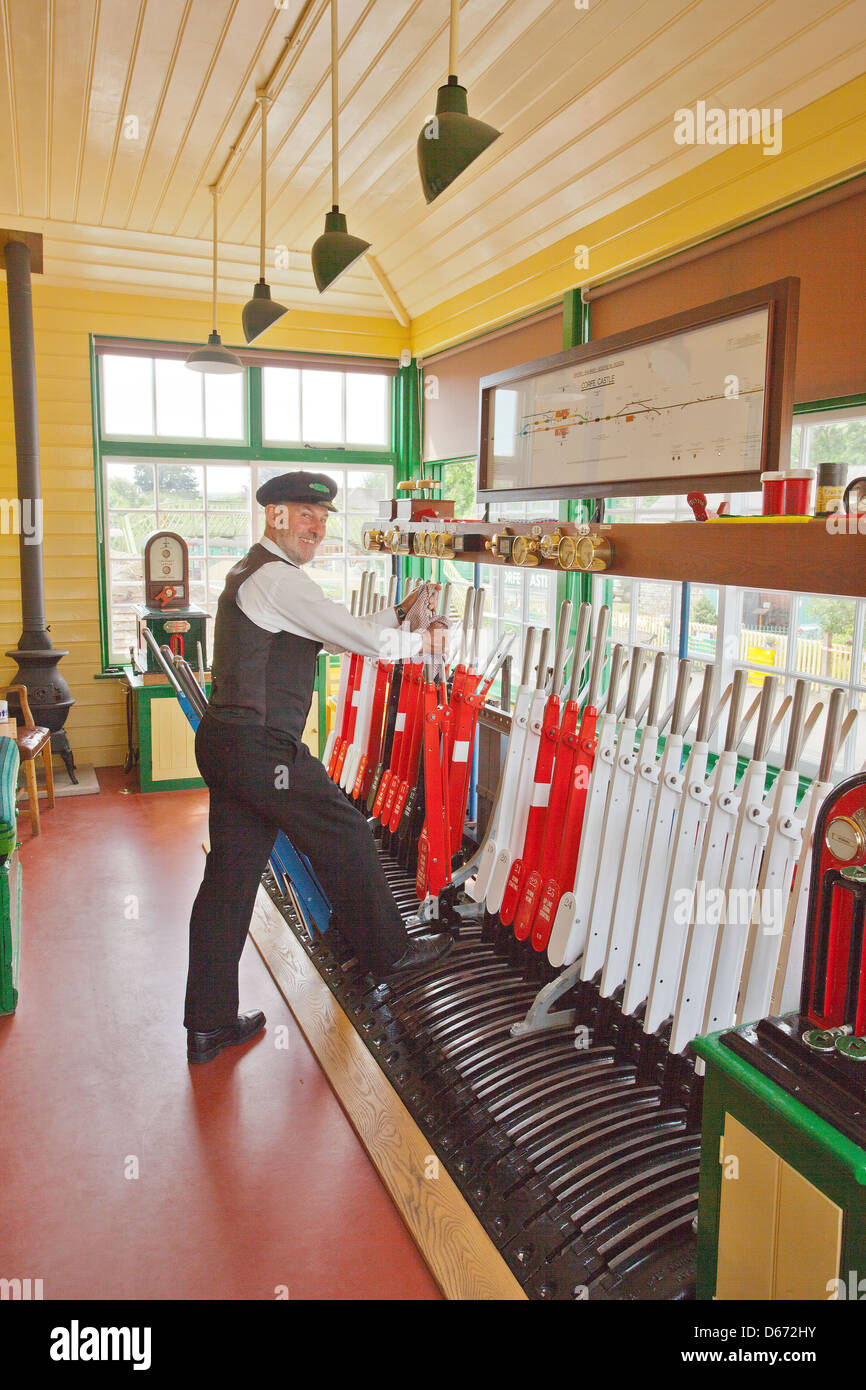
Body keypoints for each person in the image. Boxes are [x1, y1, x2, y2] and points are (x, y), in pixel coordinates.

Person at [185, 469, 452, 1064]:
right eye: (305, 515)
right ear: (274, 515)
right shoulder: (279, 579)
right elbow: (362, 641)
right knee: (347, 831)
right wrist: (421, 641)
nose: (317, 527)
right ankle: (391, 954)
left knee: (228, 884)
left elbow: (337, 634)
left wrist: (399, 613)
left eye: (324, 517)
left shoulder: (257, 574)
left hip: (230, 744)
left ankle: (208, 1023)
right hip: (261, 749)